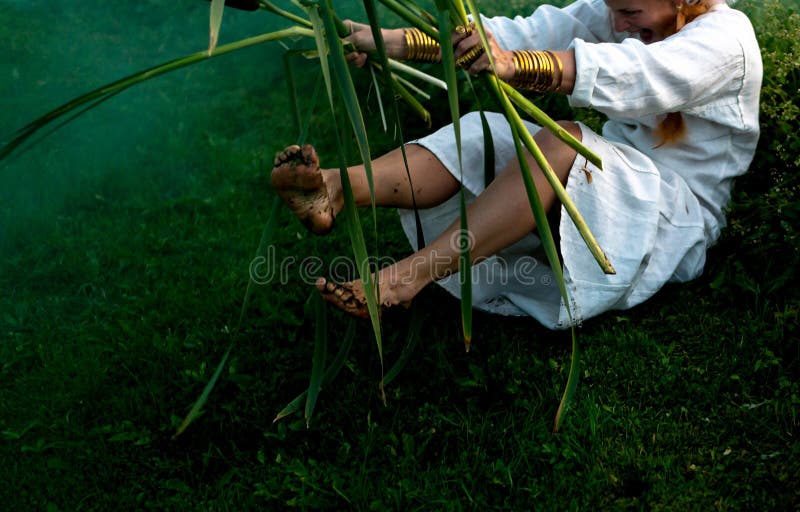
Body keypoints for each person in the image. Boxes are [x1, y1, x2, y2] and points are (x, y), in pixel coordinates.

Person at [270, 0, 762, 329]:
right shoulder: (626, 12)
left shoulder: (727, 41)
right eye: (614, 10)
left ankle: (406, 278)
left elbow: (640, 76)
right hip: (607, 192)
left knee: (565, 141)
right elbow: (515, 36)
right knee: (488, 131)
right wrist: (387, 40)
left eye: (629, 11)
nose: (618, 24)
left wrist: (514, 66)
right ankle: (335, 188)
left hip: (670, 224)